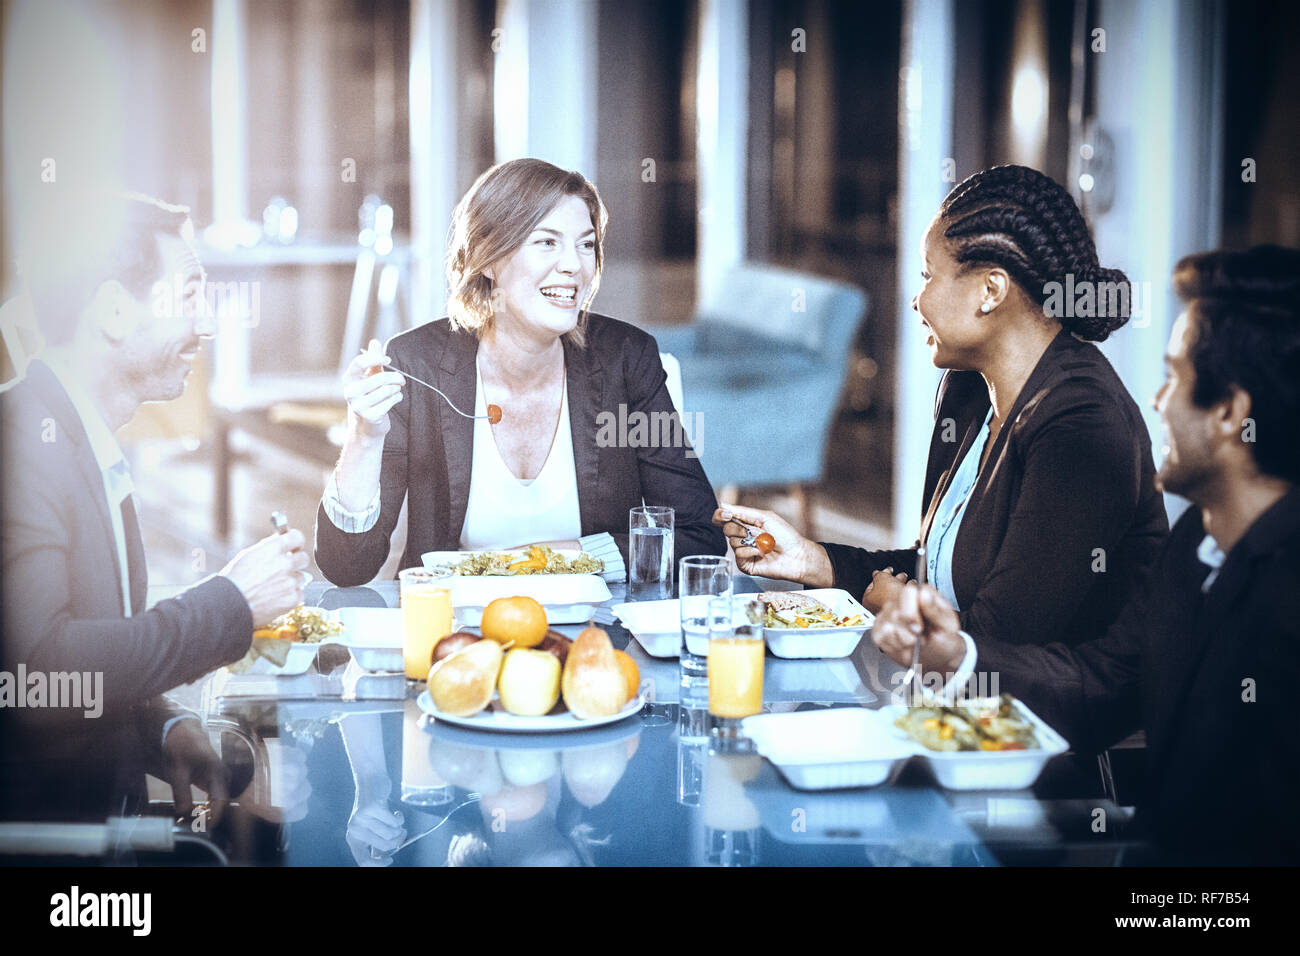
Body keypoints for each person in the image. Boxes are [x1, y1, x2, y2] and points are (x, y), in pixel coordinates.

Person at [872, 245, 1300, 865]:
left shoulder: (1286, 598)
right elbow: (1103, 684)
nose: (1156, 401)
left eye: (1175, 377)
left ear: (1231, 413)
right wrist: (959, 657)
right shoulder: (1195, 547)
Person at [717, 165, 1167, 647]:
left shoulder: (1082, 425)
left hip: (1051, 717)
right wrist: (812, 560)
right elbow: (940, 572)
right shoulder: (969, 392)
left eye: (928, 275)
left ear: (990, 291)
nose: (916, 300)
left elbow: (1003, 639)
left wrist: (894, 605)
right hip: (956, 697)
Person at [1, 191, 309, 823]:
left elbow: (94, 656)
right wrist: (231, 602)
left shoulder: (78, 438)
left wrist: (163, 730)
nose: (208, 324)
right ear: (115, 310)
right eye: (189, 295)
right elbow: (43, 678)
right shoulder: (23, 443)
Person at [315, 159, 724, 586]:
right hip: (453, 636)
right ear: (487, 258)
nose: (574, 265)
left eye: (586, 245)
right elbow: (348, 567)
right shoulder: (418, 364)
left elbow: (697, 537)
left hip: (599, 634)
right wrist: (364, 438)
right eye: (547, 242)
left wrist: (541, 560)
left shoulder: (626, 358)